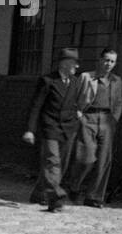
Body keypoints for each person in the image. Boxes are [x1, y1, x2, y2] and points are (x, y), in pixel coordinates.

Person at [22, 48, 82, 213]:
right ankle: (56, 199)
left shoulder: (76, 82)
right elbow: (36, 106)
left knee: (59, 164)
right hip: (50, 127)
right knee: (52, 162)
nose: (76, 67)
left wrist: (77, 112)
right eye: (73, 63)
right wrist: (30, 130)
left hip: (69, 129)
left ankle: (38, 193)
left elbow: (74, 102)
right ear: (63, 64)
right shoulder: (47, 80)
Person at [68, 48, 122, 208]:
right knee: (86, 157)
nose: (109, 64)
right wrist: (78, 115)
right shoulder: (86, 77)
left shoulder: (116, 80)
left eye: (112, 61)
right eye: (106, 60)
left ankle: (94, 196)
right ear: (99, 60)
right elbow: (73, 97)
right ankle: (75, 185)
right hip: (88, 118)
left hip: (107, 120)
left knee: (104, 160)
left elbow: (119, 101)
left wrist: (115, 119)